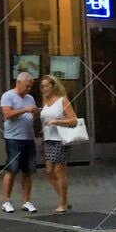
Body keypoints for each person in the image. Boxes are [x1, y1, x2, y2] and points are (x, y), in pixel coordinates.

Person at [39, 75, 79, 213]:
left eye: (46, 86)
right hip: (48, 139)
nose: (43, 89)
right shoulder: (45, 101)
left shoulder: (62, 100)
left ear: (53, 86)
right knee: (49, 171)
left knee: (59, 171)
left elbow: (73, 120)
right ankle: (64, 199)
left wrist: (56, 121)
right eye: (42, 86)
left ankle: (62, 203)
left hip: (61, 140)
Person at [0, 71, 39, 213]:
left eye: (31, 87)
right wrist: (24, 110)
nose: (29, 89)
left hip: (28, 137)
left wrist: (35, 113)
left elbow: (31, 117)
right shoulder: (8, 96)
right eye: (27, 86)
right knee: (12, 169)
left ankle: (26, 200)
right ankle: (6, 201)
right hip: (13, 139)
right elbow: (7, 114)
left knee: (28, 171)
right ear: (19, 83)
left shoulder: (30, 98)